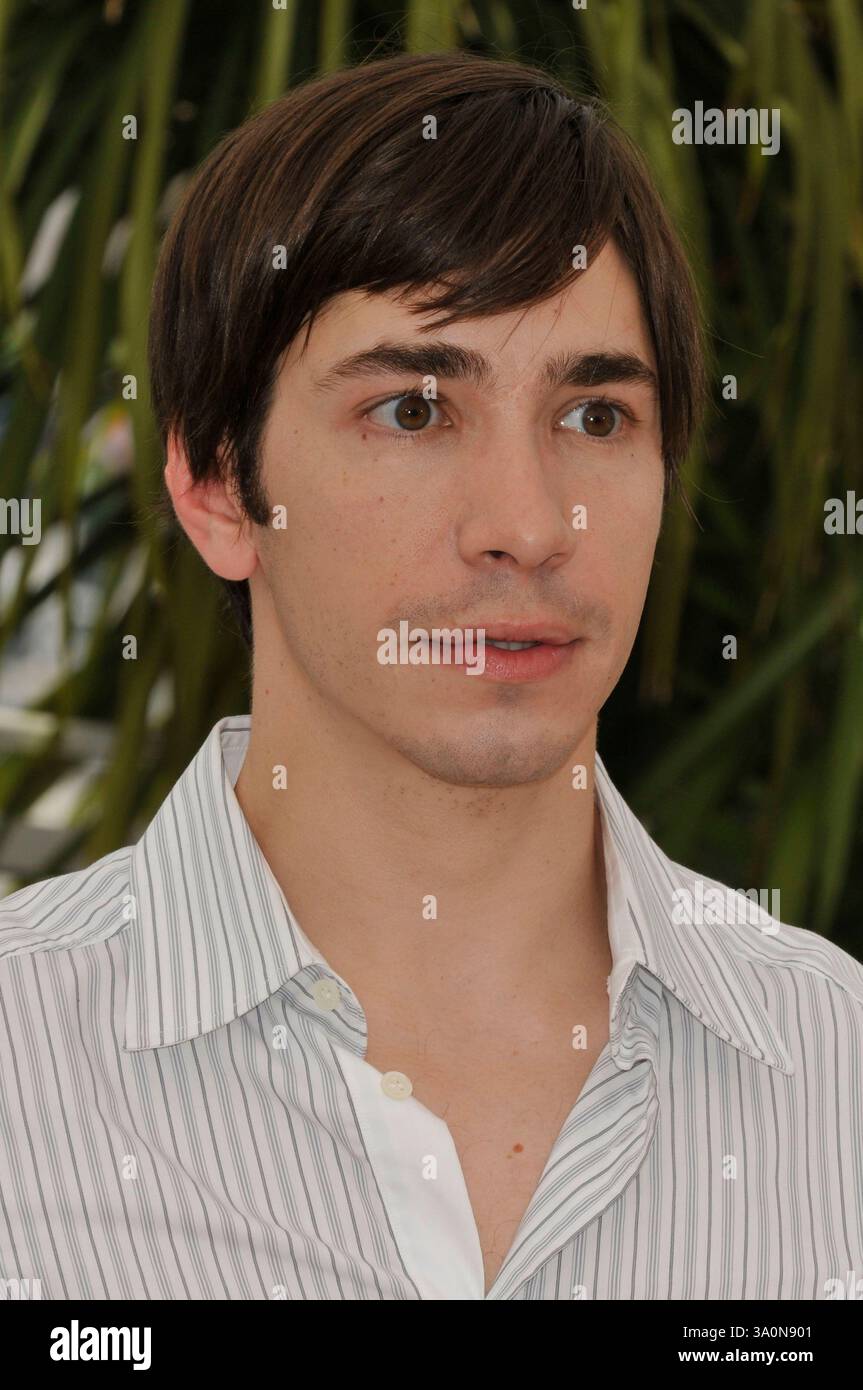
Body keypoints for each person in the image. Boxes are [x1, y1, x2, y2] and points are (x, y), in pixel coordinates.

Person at [1, 50, 861, 1302]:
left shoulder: (835, 1075)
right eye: (412, 409)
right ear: (216, 490)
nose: (525, 520)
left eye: (593, 417)